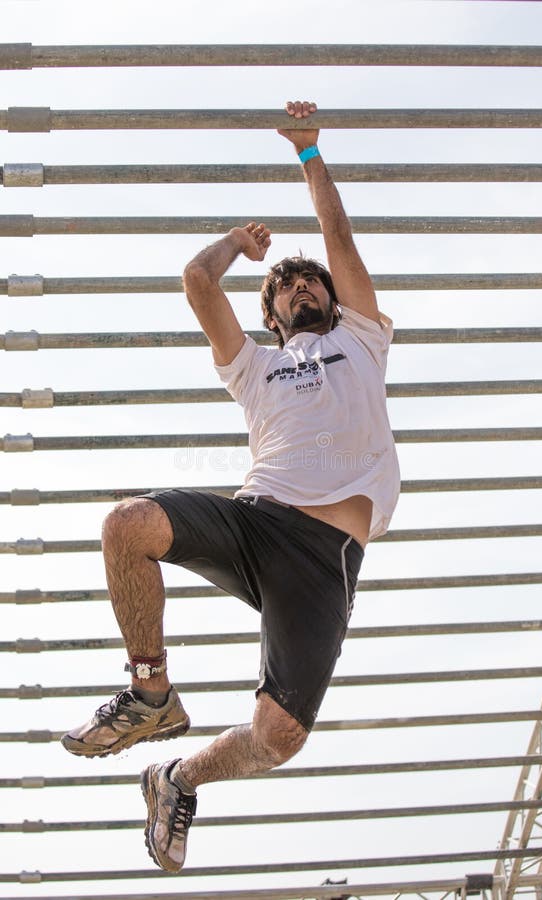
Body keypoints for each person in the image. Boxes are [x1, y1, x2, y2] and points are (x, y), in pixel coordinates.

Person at [61, 100, 400, 872]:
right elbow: (195, 281)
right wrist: (236, 245)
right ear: (271, 314)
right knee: (127, 523)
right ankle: (151, 694)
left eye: (311, 284)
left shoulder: (362, 337)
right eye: (287, 288)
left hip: (323, 560)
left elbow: (339, 239)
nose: (302, 289)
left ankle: (176, 778)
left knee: (278, 737)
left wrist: (309, 154)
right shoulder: (254, 366)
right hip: (255, 522)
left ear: (332, 300)